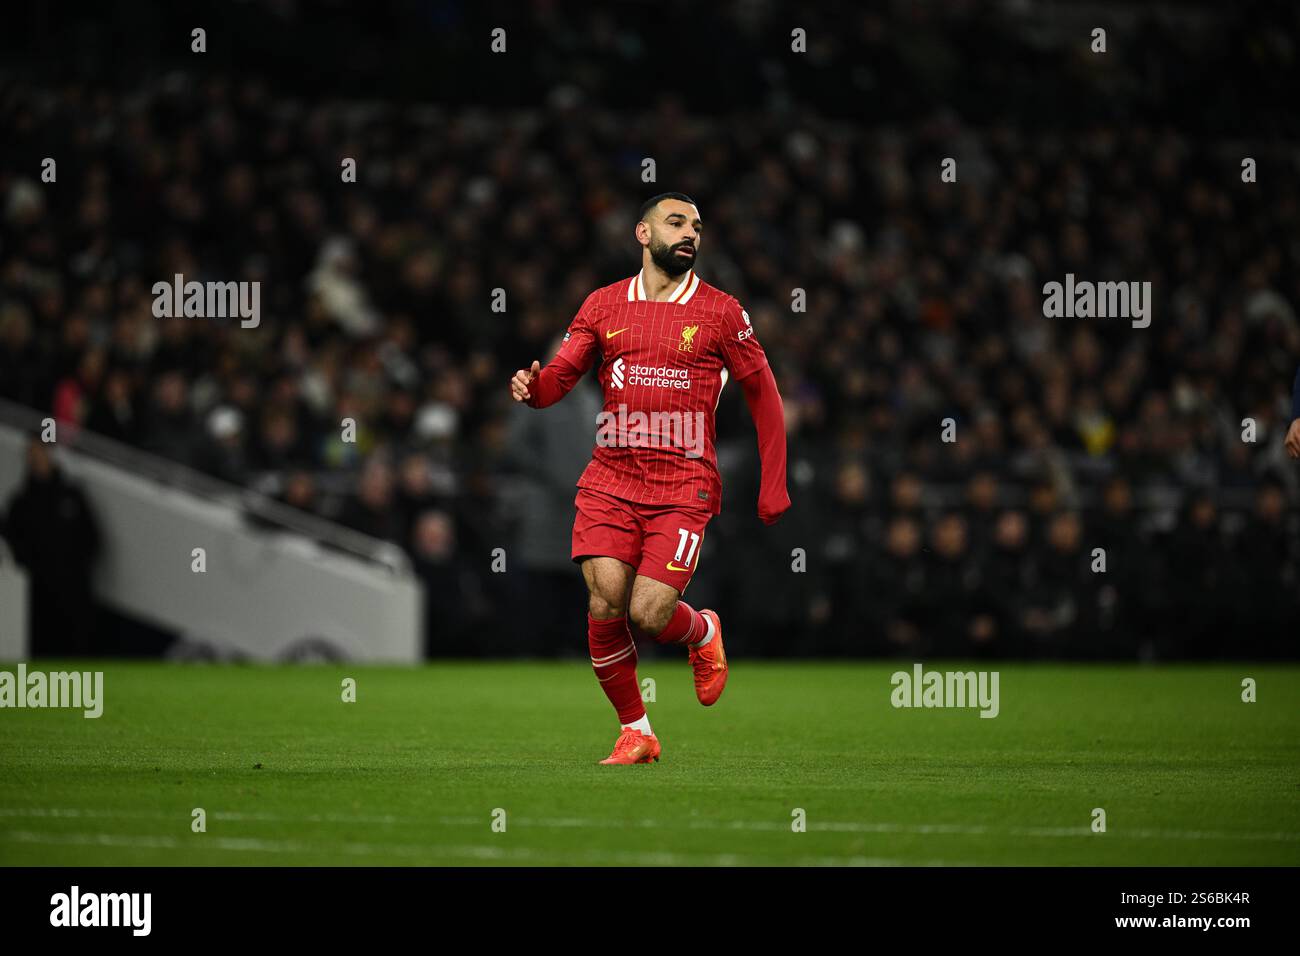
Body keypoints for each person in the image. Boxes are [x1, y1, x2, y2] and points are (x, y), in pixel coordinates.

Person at [509, 193, 790, 764]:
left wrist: (773, 483)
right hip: (610, 478)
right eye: (676, 222)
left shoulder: (721, 312)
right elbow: (562, 374)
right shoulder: (604, 304)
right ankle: (636, 730)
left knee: (649, 613)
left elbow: (763, 395)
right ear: (642, 233)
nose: (690, 234)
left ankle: (702, 633)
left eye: (697, 226)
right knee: (605, 602)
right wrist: (536, 390)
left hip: (684, 485)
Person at [1, 439, 102, 656]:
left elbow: (92, 538)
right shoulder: (21, 503)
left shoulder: (71, 494)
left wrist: (75, 568)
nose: (37, 460)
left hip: (73, 593)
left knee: (77, 653)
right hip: (39, 597)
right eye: (32, 455)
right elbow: (13, 547)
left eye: (41, 453)